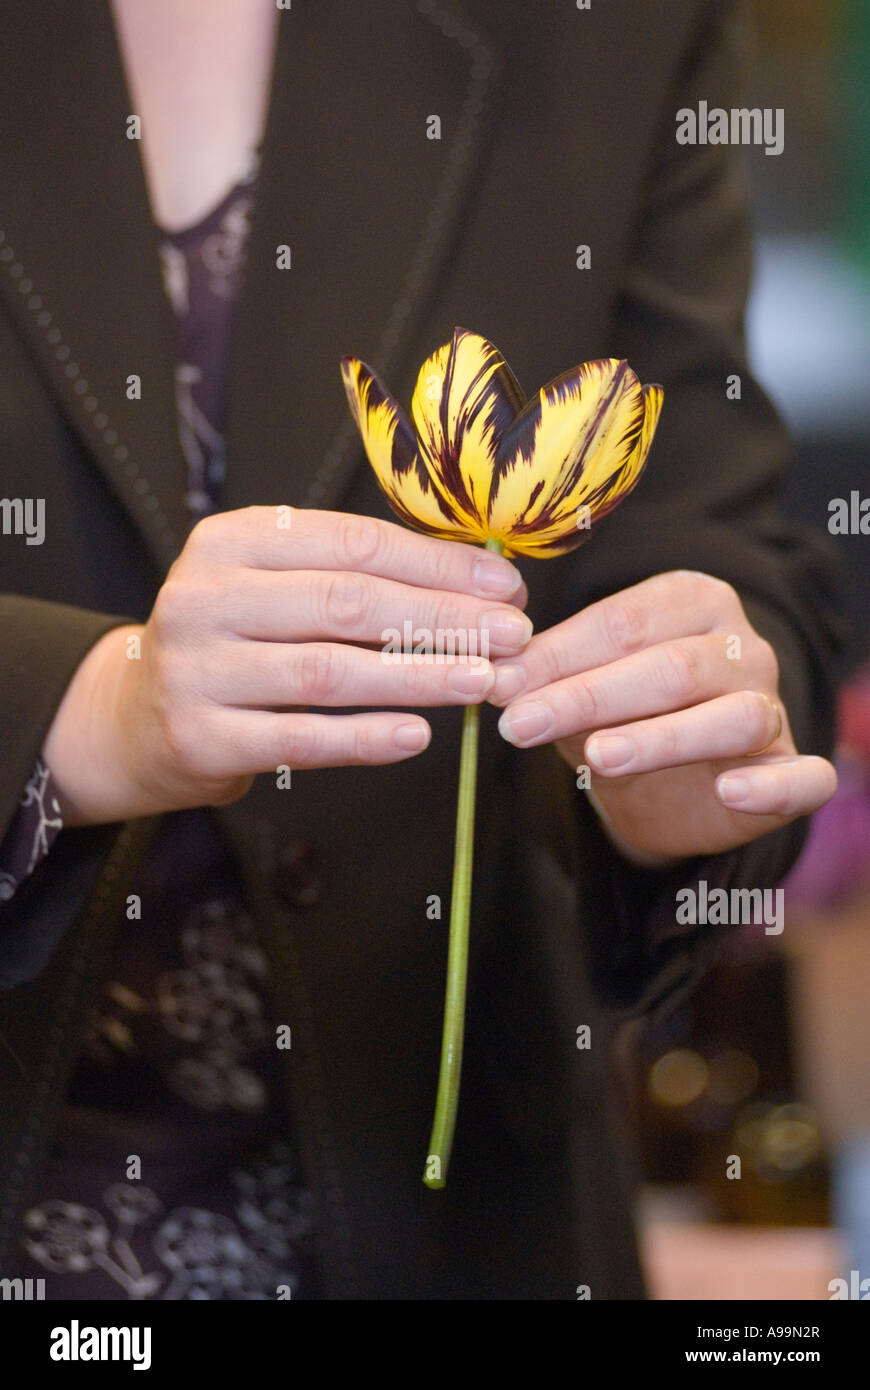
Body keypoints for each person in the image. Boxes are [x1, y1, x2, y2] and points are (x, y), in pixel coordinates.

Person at [0, 0, 844, 1299]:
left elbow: (718, 542)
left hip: (450, 1231)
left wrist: (686, 754)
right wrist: (91, 709)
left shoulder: (612, 27)